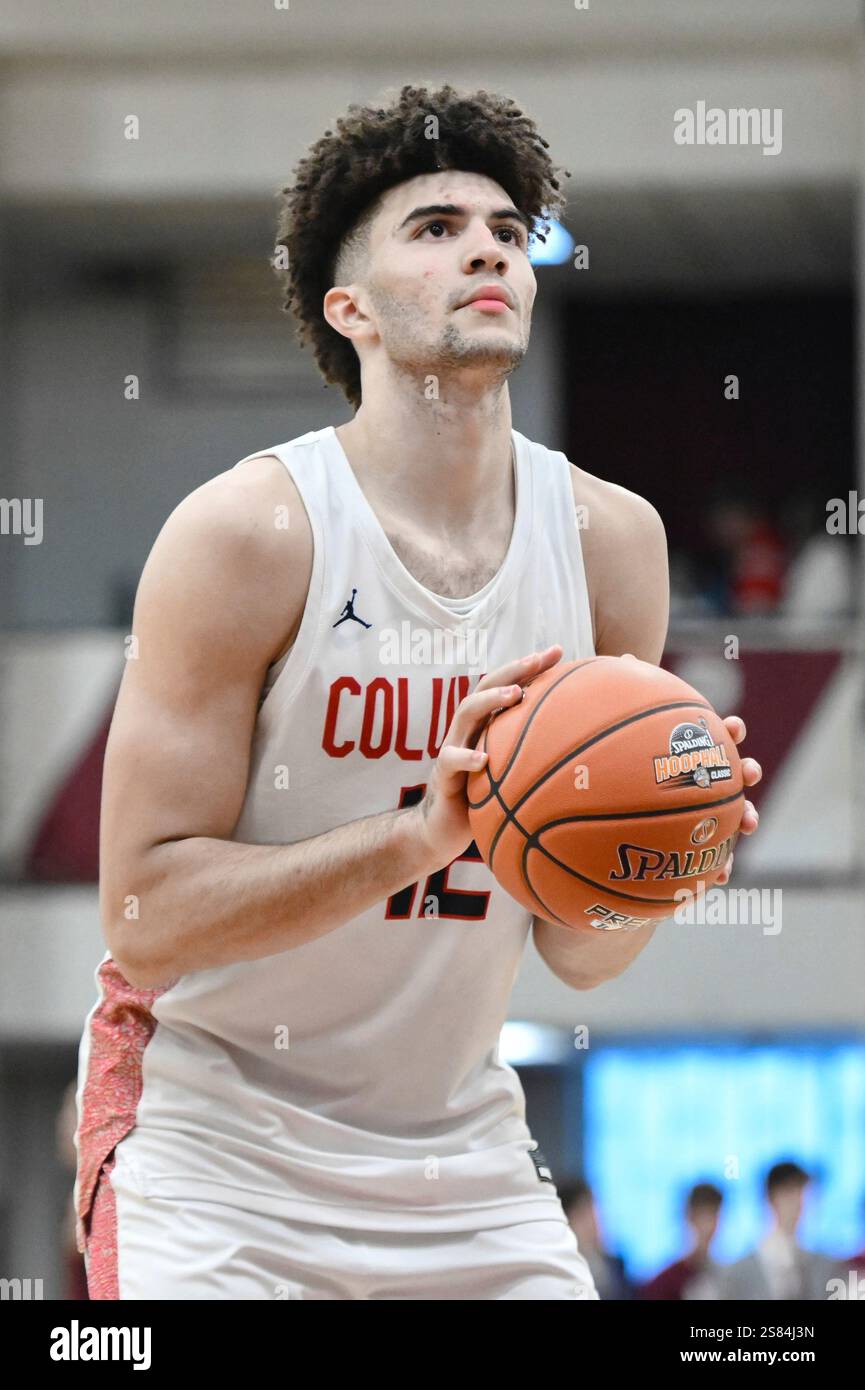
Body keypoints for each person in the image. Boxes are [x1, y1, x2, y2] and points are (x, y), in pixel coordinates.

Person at [74, 82, 761, 1301]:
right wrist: (421, 835)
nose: (487, 245)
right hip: (215, 1150)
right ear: (351, 309)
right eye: (435, 228)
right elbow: (143, 912)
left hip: (463, 1161)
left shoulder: (613, 539)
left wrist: (669, 850)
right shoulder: (249, 532)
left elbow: (578, 953)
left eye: (507, 229)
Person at [721, 1161, 838, 1300]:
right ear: (771, 1198)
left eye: (800, 1193)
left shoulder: (821, 1265)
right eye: (789, 1193)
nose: (797, 1203)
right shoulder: (740, 1271)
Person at [639, 1182, 724, 1300]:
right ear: (690, 1218)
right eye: (705, 1217)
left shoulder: (725, 1278)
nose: (711, 1227)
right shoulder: (664, 1284)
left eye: (715, 1217)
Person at [559, 1179, 633, 1299]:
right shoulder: (559, 1271)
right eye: (583, 1215)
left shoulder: (616, 1266)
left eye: (594, 1210)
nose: (594, 1221)